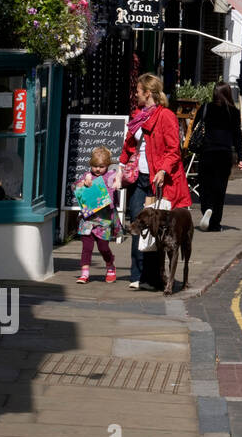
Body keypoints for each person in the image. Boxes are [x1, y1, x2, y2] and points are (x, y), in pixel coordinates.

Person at [119, 73, 192, 290]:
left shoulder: (166, 116)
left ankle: (154, 278)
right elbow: (129, 146)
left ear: (147, 93)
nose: (135, 94)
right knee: (137, 222)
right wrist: (120, 169)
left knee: (156, 228)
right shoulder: (138, 116)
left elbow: (174, 150)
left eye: (138, 91)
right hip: (139, 179)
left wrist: (162, 169)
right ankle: (137, 275)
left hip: (159, 180)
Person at [193, 82, 242, 232]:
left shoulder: (205, 108)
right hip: (224, 154)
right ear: (228, 93)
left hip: (207, 152)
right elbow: (237, 137)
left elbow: (196, 126)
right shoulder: (233, 112)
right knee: (220, 189)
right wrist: (241, 158)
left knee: (205, 185)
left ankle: (207, 208)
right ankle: (215, 223)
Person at [73, 146, 121, 284]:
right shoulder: (86, 175)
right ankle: (85, 273)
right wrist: (82, 184)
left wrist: (117, 181)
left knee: (103, 247)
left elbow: (118, 184)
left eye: (101, 166)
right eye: (94, 166)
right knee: (86, 247)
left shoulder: (111, 175)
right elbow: (76, 187)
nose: (98, 169)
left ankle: (110, 264)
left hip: (104, 219)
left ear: (107, 165)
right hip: (87, 218)